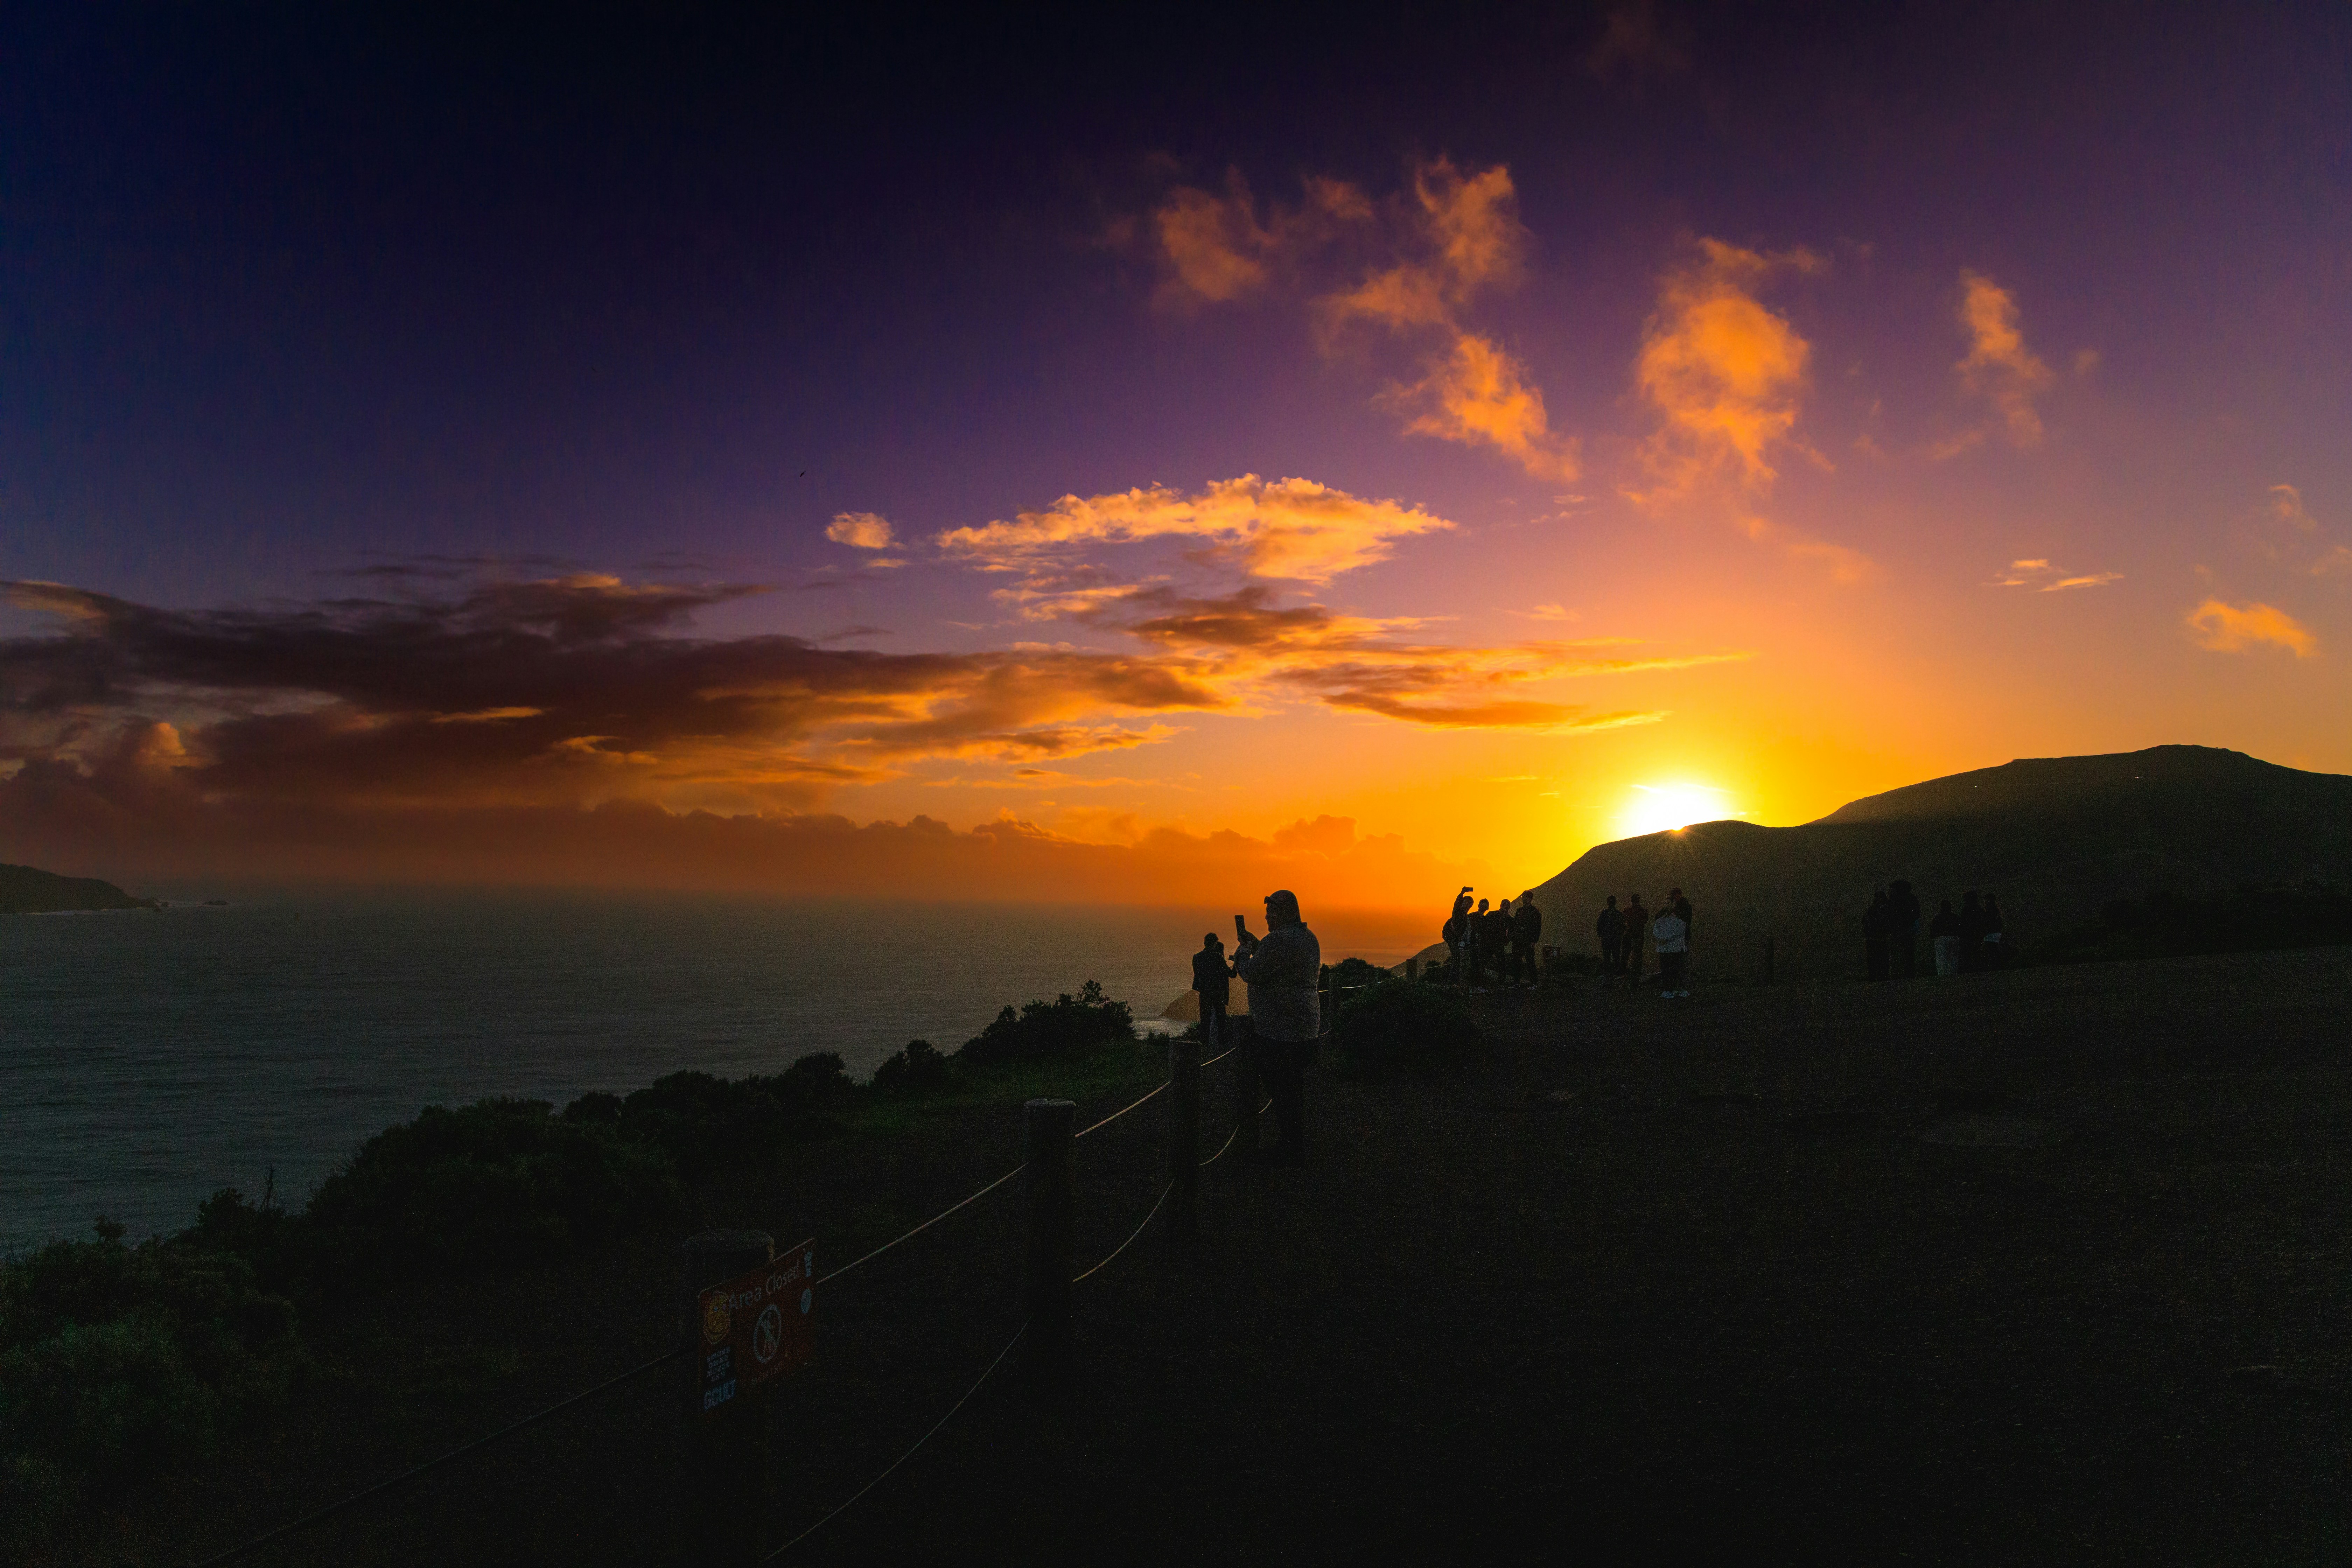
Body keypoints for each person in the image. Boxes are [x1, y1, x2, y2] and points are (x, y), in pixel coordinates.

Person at [1233, 889, 1321, 1165]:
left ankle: (1290, 1153)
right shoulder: (1308, 938)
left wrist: (1242, 953)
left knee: (1282, 1092)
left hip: (1280, 1031)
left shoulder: (1278, 941)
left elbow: (1251, 973)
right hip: (1306, 1028)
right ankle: (1292, 1147)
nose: (1267, 917)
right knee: (1291, 1091)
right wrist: (1260, 946)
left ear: (1283, 913)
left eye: (1271, 912)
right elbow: (1282, 962)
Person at [1192, 932, 1234, 1051]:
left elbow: (1198, 975)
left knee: (1205, 1020)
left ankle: (1203, 1047)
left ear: (1205, 943)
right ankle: (1222, 1047)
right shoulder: (1218, 957)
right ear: (1215, 943)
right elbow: (1231, 974)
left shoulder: (1197, 957)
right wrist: (1236, 963)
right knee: (1222, 1020)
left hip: (1205, 993)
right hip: (1218, 993)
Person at [1651, 901, 1689, 997]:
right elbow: (1678, 932)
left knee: (1668, 970)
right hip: (1674, 949)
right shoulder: (1677, 920)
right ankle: (1676, 989)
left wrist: (1662, 939)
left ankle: (1670, 989)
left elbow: (1657, 930)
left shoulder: (1661, 920)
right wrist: (1664, 939)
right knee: (1675, 970)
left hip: (1667, 949)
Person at [1888, 880, 1921, 979]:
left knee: (1896, 953)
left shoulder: (1894, 900)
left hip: (1898, 930)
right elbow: (1916, 913)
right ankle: (1909, 973)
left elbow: (1891, 915)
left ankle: (1898, 973)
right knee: (1909, 953)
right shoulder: (1911, 899)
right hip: (1908, 930)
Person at [1511, 891, 1543, 988]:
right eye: (1522, 897)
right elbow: (1515, 925)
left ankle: (1534, 983)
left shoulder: (1535, 912)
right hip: (1519, 941)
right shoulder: (1519, 911)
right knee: (1517, 962)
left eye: (1524, 897)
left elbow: (1538, 928)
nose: (1523, 899)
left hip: (1528, 941)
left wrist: (1534, 941)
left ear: (1530, 899)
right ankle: (1517, 983)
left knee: (1530, 962)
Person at [1443, 887, 1473, 981]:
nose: (1468, 905)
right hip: (1454, 940)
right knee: (1457, 960)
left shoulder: (1466, 917)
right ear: (1463, 903)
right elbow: (1456, 905)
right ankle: (1453, 982)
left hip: (1460, 942)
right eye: (1466, 903)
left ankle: (1456, 981)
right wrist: (1462, 894)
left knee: (1459, 961)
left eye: (1470, 904)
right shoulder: (1458, 913)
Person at [1956, 890, 1988, 974]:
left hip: (1969, 936)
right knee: (1976, 952)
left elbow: (1963, 924)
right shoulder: (1980, 910)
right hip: (1977, 935)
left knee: (1968, 954)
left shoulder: (1966, 910)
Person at [1622, 894, 1650, 985]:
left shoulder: (1627, 911)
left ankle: (1623, 973)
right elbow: (1645, 921)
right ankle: (1636, 975)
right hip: (1639, 936)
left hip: (1629, 935)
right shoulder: (1643, 911)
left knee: (1625, 955)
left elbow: (1623, 921)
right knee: (1638, 956)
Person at [1929, 898, 1961, 976]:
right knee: (1953, 959)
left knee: (1942, 959)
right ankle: (1953, 975)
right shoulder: (1955, 917)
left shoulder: (1937, 918)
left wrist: (1934, 936)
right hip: (1954, 938)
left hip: (1941, 939)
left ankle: (1943, 976)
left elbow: (1932, 930)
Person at [1864, 890, 1891, 981]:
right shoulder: (1877, 909)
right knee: (1876, 957)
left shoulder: (1878, 909)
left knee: (1878, 957)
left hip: (1876, 937)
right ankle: (1877, 976)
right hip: (1875, 937)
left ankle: (1879, 976)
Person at [1596, 895, 1625, 978]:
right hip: (1616, 939)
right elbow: (1623, 926)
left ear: (1608, 903)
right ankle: (1618, 974)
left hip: (1606, 939)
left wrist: (1601, 934)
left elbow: (1599, 925)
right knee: (1616, 957)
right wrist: (1620, 934)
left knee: (1607, 957)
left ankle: (1607, 974)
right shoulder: (1619, 914)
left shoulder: (1604, 914)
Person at [1982, 893, 2007, 969]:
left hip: (1991, 933)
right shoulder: (1996, 909)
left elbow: (1988, 922)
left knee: (1991, 950)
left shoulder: (1990, 909)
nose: (1984, 901)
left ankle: (1994, 967)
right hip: (1997, 932)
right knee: (1994, 949)